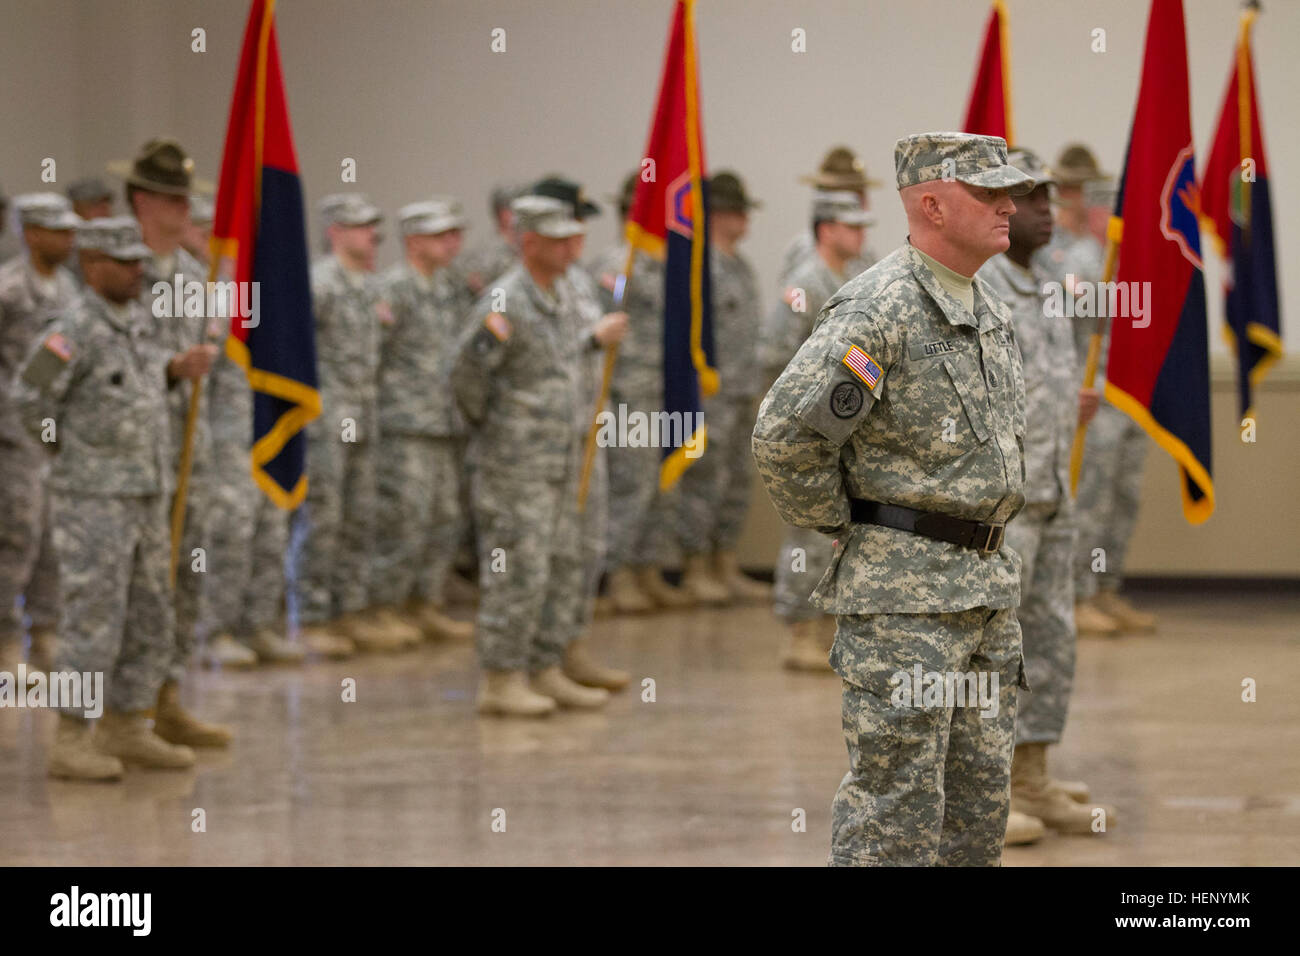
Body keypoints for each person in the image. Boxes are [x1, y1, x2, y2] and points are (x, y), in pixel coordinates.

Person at [753, 132, 1034, 866]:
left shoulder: (990, 310)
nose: (1010, 205)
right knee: (895, 817)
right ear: (933, 205)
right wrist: (849, 529)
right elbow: (787, 437)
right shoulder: (878, 310)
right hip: (905, 606)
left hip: (987, 594)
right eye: (989, 192)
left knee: (976, 814)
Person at [13, 217, 215, 778]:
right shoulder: (72, 329)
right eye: (124, 263)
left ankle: (128, 726)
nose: (136, 272)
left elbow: (141, 391)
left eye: (139, 262)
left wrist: (175, 373)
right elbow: (29, 399)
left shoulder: (141, 325)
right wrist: (69, 452)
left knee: (150, 611)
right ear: (92, 263)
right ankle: (73, 738)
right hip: (93, 500)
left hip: (148, 491)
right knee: (93, 617)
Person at [978, 147, 1116, 846]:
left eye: (1046, 198)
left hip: (1053, 497)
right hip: (1003, 511)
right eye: (1028, 199)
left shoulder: (1047, 283)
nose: (1043, 210)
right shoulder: (981, 288)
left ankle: (1030, 775)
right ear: (997, 209)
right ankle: (985, 796)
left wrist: (1071, 403)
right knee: (993, 654)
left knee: (1049, 644)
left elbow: (1036, 382)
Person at [451, 196, 624, 716]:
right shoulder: (505, 302)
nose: (575, 245)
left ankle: (547, 665)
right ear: (529, 243)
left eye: (575, 235)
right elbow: (466, 377)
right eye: (559, 238)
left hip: (568, 454)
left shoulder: (570, 290)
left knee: (564, 562)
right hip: (517, 461)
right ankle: (501, 677)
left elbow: (571, 355)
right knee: (517, 568)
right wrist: (502, 430)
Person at [121, 139, 245, 743]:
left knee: (183, 574)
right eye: (172, 198)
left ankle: (167, 698)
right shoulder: (114, 269)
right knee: (129, 584)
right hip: (125, 458)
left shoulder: (198, 277)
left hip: (188, 455)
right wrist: (169, 369)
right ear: (142, 200)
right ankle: (119, 713)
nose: (184, 209)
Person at [1038, 144, 1156, 636]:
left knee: (1120, 497)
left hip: (1122, 388)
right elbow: (1070, 320)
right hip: (1087, 391)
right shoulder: (1054, 252)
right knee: (1085, 499)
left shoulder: (1105, 251)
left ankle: (1105, 587)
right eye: (1075, 188)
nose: (1083, 198)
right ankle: (1077, 592)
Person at [298, 193, 419, 656]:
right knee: (322, 519)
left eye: (374, 228)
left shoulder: (371, 287)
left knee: (359, 517)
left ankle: (349, 611)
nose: (372, 236)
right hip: (328, 417)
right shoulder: (317, 285)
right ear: (335, 231)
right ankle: (310, 617)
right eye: (362, 227)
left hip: (366, 415)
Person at [761, 190, 871, 671]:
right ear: (826, 229)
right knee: (806, 534)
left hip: (841, 426)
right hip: (808, 427)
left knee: (834, 532)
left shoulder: (849, 280)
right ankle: (798, 631)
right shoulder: (805, 284)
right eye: (850, 226)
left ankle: (826, 627)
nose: (860, 235)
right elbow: (773, 353)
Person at [372, 197, 475, 642]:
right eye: (440, 235)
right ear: (413, 241)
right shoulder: (392, 288)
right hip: (405, 421)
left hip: (446, 420)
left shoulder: (453, 287)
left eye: (454, 234)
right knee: (405, 517)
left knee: (445, 516)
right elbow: (371, 353)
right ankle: (385, 606)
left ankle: (425, 601)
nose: (453, 243)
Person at [591, 172, 688, 614]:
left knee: (658, 485)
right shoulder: (618, 264)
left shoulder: (673, 260)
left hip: (666, 388)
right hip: (630, 391)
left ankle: (648, 567)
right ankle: (618, 574)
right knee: (631, 485)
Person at [676, 171, 769, 604]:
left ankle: (724, 562)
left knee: (736, 481)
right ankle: (695, 567)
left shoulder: (739, 265)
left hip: (741, 389)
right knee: (704, 480)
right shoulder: (700, 266)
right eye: (738, 211)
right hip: (710, 394)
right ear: (719, 214)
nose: (745, 219)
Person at [0, 194, 80, 675]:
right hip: (14, 439)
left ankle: (47, 637)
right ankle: (6, 644)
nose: (68, 240)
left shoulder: (70, 290)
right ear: (30, 233)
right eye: (57, 231)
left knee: (56, 540)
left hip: (60, 438)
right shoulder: (8, 291)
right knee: (16, 538)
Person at [777, 146, 878, 287]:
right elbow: (799, 303)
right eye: (853, 194)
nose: (862, 201)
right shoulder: (805, 253)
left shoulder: (864, 254)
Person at [458, 182, 523, 298]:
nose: (517, 213)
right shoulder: (485, 250)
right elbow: (476, 286)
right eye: (511, 208)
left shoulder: (528, 244)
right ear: (500, 213)